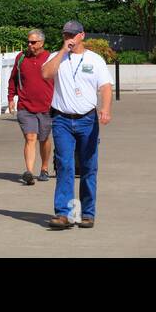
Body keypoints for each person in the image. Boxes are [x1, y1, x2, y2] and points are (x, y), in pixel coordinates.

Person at [41, 20, 112, 230]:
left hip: (87, 119)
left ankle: (87, 213)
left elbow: (106, 87)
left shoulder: (95, 60)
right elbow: (45, 74)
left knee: (89, 166)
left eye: (72, 35)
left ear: (82, 35)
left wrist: (106, 108)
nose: (69, 39)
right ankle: (64, 213)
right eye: (65, 35)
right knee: (65, 165)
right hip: (62, 119)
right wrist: (63, 51)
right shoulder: (57, 57)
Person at [7, 29, 54, 184]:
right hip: (25, 106)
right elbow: (13, 79)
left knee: (44, 138)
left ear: (41, 43)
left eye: (33, 42)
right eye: (28, 41)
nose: (29, 45)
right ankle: (29, 172)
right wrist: (10, 97)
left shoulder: (50, 58)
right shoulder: (21, 58)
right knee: (30, 137)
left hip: (47, 106)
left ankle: (45, 168)